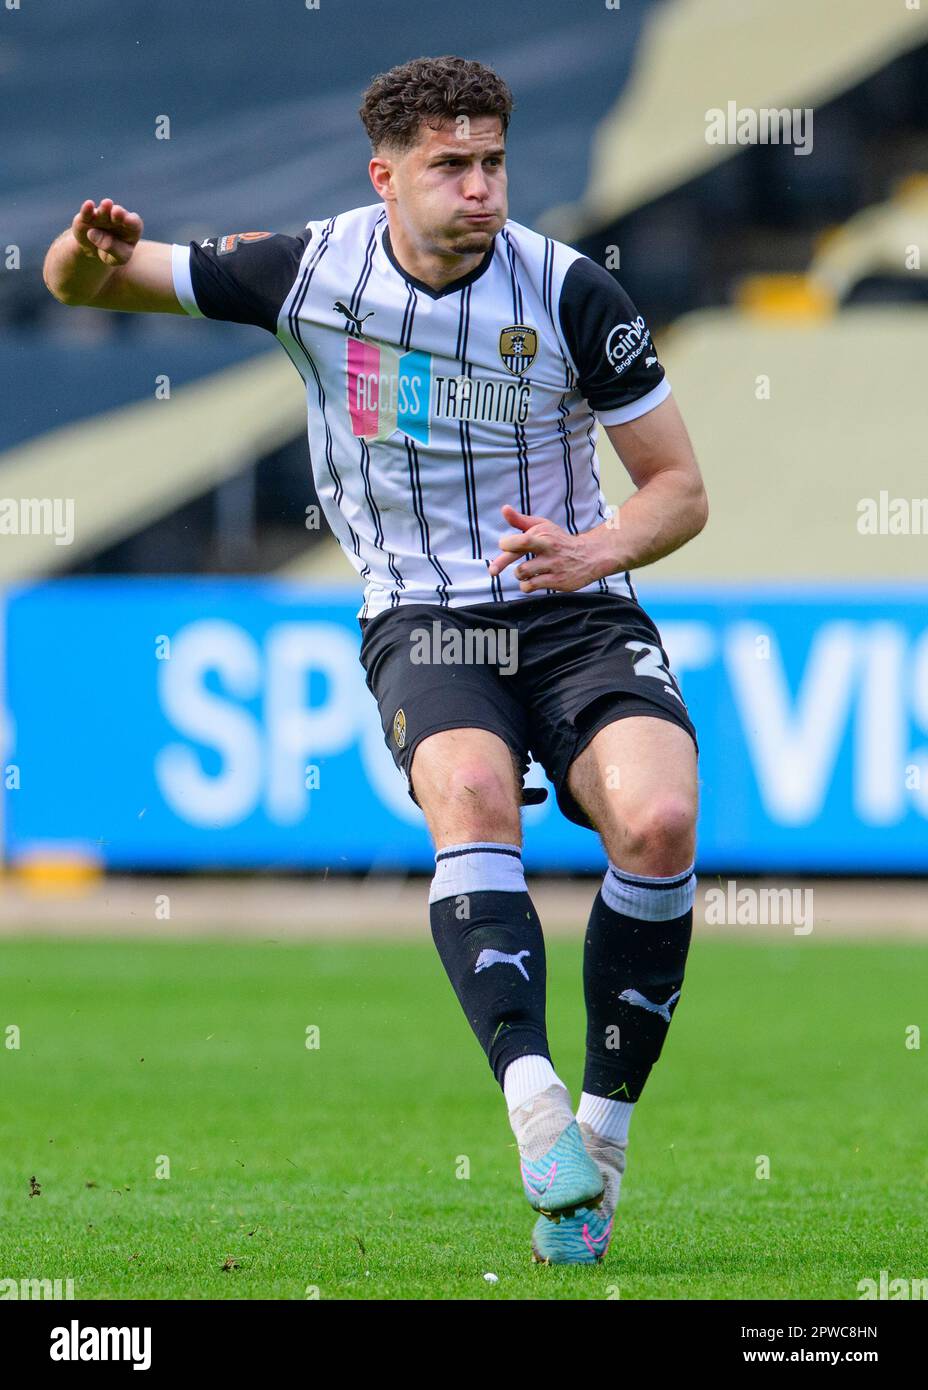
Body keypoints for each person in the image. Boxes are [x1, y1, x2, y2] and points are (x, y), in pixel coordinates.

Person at [43, 54, 708, 1265]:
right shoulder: (307, 270)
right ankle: (534, 1108)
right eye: (451, 166)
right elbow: (91, 283)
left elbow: (679, 489)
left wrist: (595, 543)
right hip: (422, 617)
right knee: (469, 794)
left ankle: (602, 1136)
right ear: (385, 176)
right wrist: (86, 252)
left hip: (574, 605)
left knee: (659, 824)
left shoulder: (571, 293)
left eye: (494, 161)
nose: (481, 188)